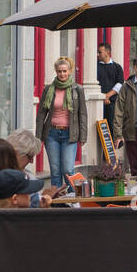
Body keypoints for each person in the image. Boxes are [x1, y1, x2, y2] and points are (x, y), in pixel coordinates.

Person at [34, 57, 87, 187]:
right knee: (55, 171)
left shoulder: (77, 89)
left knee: (68, 170)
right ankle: (57, 202)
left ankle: (73, 199)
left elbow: (83, 114)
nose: (62, 74)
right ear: (56, 72)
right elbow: (41, 113)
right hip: (51, 133)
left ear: (69, 71)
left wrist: (83, 136)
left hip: (70, 134)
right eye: (59, 71)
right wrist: (38, 136)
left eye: (64, 71)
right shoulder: (49, 89)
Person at [5, 129, 51, 206]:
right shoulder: (2, 178)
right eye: (30, 157)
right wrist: (40, 202)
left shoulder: (29, 175)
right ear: (17, 153)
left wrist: (43, 197)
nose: (32, 161)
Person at [97, 42, 124, 134]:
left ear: (107, 52)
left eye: (100, 52)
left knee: (111, 126)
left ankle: (112, 146)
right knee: (98, 127)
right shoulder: (95, 67)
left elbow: (120, 83)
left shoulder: (117, 67)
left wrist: (108, 96)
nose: (98, 54)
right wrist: (102, 97)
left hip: (112, 102)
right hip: (98, 102)